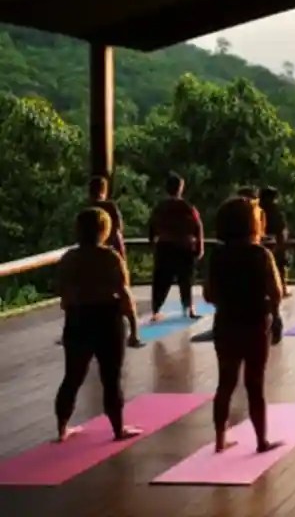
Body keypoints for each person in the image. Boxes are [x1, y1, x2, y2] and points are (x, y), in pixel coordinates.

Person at [54, 207, 144, 443]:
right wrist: (134, 329)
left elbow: (63, 294)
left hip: (77, 319)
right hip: (107, 319)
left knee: (72, 377)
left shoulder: (68, 259)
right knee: (111, 377)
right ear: (104, 231)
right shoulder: (110, 257)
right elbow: (124, 295)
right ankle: (118, 429)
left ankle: (62, 429)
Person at [204, 196, 284, 453]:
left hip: (226, 322)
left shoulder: (218, 256)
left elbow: (209, 294)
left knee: (225, 383)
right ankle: (261, 440)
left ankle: (219, 439)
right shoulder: (260, 254)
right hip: (255, 323)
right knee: (255, 384)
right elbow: (276, 292)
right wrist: (274, 313)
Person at [147, 173, 204, 321]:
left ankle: (156, 309)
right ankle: (188, 308)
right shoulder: (187, 207)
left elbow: (152, 225)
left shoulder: (160, 207)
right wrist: (200, 246)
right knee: (186, 279)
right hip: (184, 246)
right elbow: (198, 226)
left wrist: (152, 241)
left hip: (165, 245)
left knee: (161, 280)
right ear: (181, 188)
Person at [260, 186, 290, 298]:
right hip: (274, 242)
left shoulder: (257, 210)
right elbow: (281, 229)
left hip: (262, 242)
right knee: (280, 265)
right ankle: (282, 287)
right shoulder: (275, 211)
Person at [87, 175, 126, 257]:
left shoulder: (89, 208)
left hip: (98, 246)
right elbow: (119, 225)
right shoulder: (110, 206)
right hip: (114, 243)